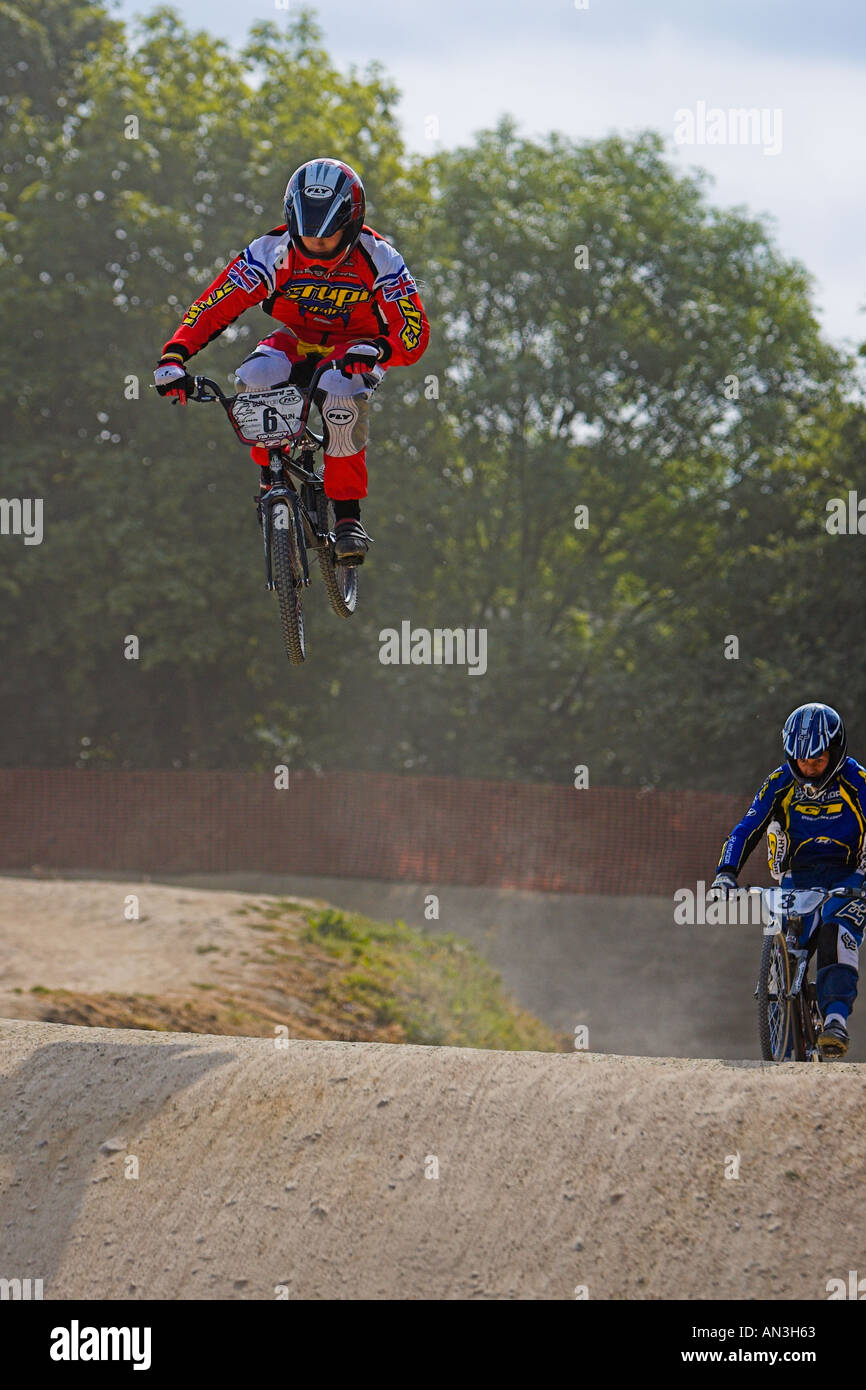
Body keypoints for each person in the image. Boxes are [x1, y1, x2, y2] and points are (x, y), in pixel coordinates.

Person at [154, 158, 429, 563]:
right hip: (294, 339)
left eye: (327, 236)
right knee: (254, 376)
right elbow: (213, 307)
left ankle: (347, 516)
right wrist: (175, 356)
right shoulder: (270, 252)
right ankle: (271, 476)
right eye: (307, 234)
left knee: (341, 395)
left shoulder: (381, 258)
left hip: (353, 347)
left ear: (352, 224)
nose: (316, 245)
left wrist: (381, 349)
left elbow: (414, 329)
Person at [711, 702, 866, 1058]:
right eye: (802, 761)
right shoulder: (780, 781)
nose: (809, 769)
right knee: (789, 931)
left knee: (835, 931)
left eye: (818, 760)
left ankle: (835, 1020)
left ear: (837, 749)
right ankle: (781, 994)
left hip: (850, 876)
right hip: (797, 876)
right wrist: (726, 873)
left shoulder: (858, 782)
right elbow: (746, 828)